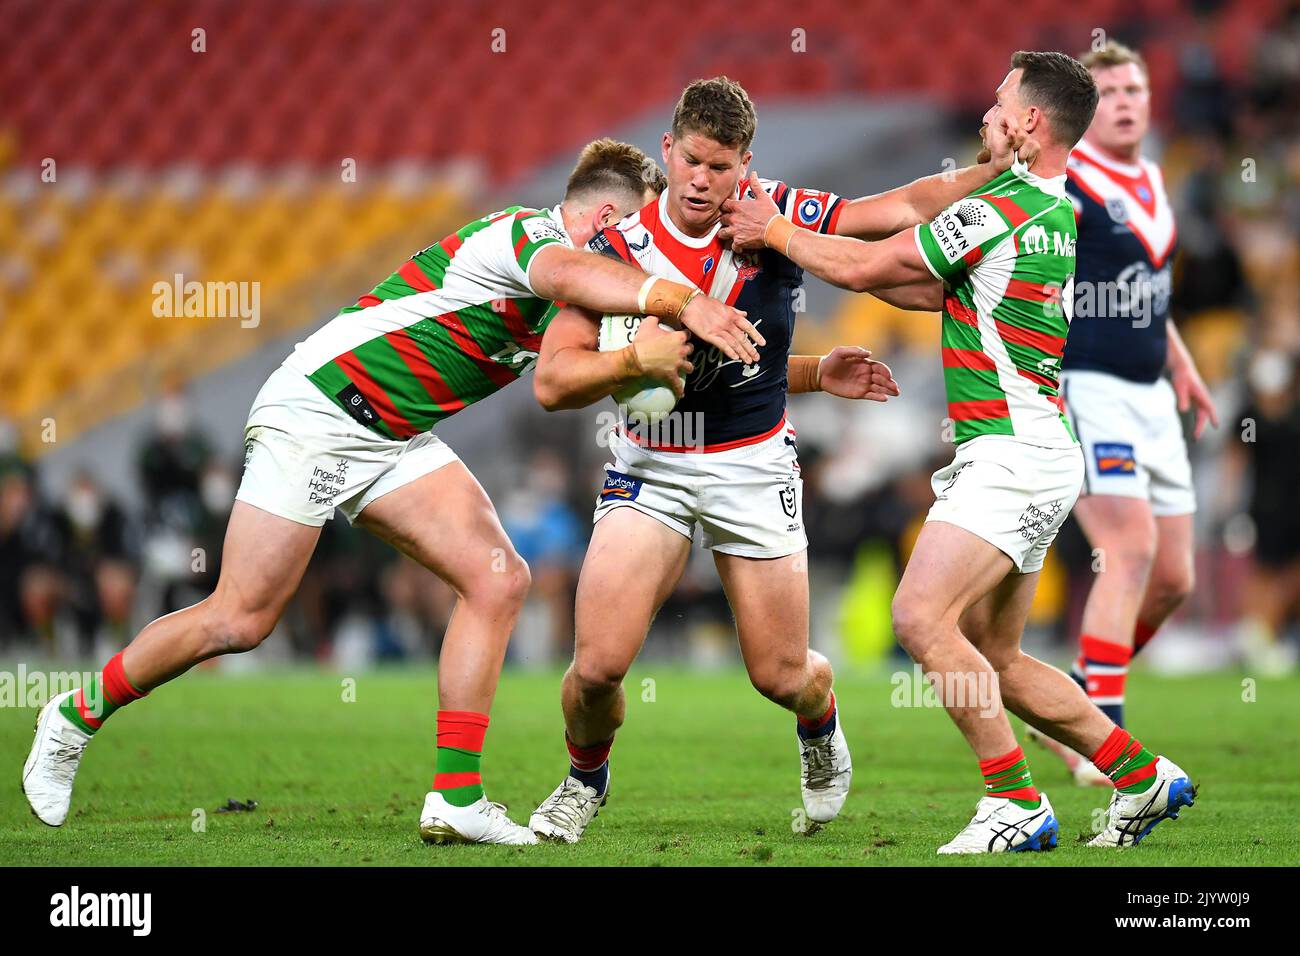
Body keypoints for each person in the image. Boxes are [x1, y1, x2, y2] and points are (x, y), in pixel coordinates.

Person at [22, 139, 757, 846]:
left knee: (497, 579)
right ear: (604, 221)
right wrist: (677, 305)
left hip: (389, 435)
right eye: (632, 230)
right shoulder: (521, 238)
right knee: (241, 619)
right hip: (319, 410)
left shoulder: (581, 298)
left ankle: (456, 797)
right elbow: (568, 280)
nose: (641, 246)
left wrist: (661, 361)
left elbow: (566, 382)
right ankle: (72, 718)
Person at [525, 75, 1030, 844]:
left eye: (722, 167)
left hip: (752, 465)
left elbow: (892, 211)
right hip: (649, 466)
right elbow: (554, 383)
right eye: (692, 161)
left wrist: (998, 170)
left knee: (780, 674)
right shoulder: (615, 251)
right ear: (668, 151)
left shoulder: (774, 214)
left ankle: (820, 720)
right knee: (595, 668)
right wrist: (633, 364)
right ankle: (582, 780)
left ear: (744, 166)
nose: (704, 180)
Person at [721, 52, 1197, 852]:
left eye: (1000, 101)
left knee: (919, 616)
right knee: (999, 656)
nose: (988, 111)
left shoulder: (1004, 206)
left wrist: (773, 230)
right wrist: (802, 237)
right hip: (1044, 450)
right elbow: (913, 285)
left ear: (1030, 123)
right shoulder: (1054, 210)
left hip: (1008, 454)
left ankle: (1013, 799)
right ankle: (1144, 776)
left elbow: (876, 262)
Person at [1025, 42, 1219, 786]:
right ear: (1087, 107)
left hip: (1150, 394)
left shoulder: (1153, 175)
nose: (1127, 99)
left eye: (1136, 85)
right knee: (1128, 549)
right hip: (1087, 385)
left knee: (1173, 579)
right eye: (1109, 90)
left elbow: (1149, 290)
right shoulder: (1066, 181)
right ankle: (1103, 738)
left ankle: (1074, 695)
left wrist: (1183, 364)